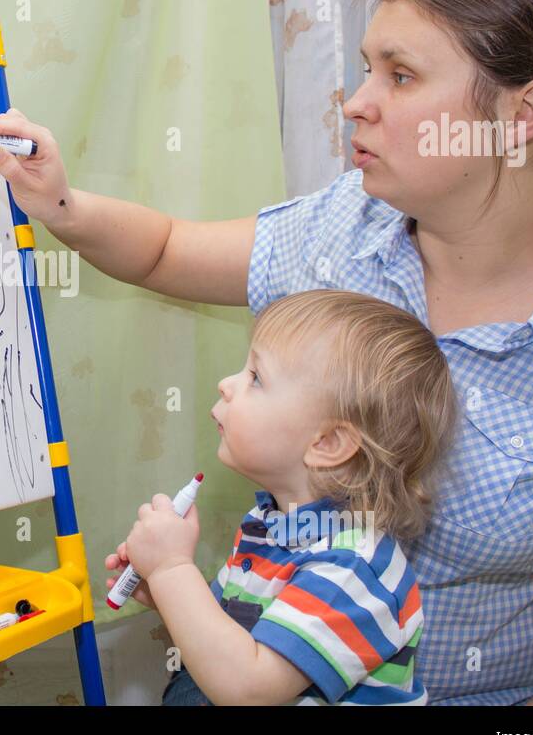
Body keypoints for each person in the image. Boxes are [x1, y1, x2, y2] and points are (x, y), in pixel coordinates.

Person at [0, 0, 533, 705]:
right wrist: (59, 203)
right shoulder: (344, 225)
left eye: (400, 76)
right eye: (368, 68)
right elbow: (168, 250)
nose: (357, 103)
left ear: (519, 116)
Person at [105, 289, 458, 705]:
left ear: (326, 442)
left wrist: (170, 569)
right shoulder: (270, 522)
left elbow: (248, 689)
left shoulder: (352, 570)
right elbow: (228, 635)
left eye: (256, 377)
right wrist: (169, 594)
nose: (226, 384)